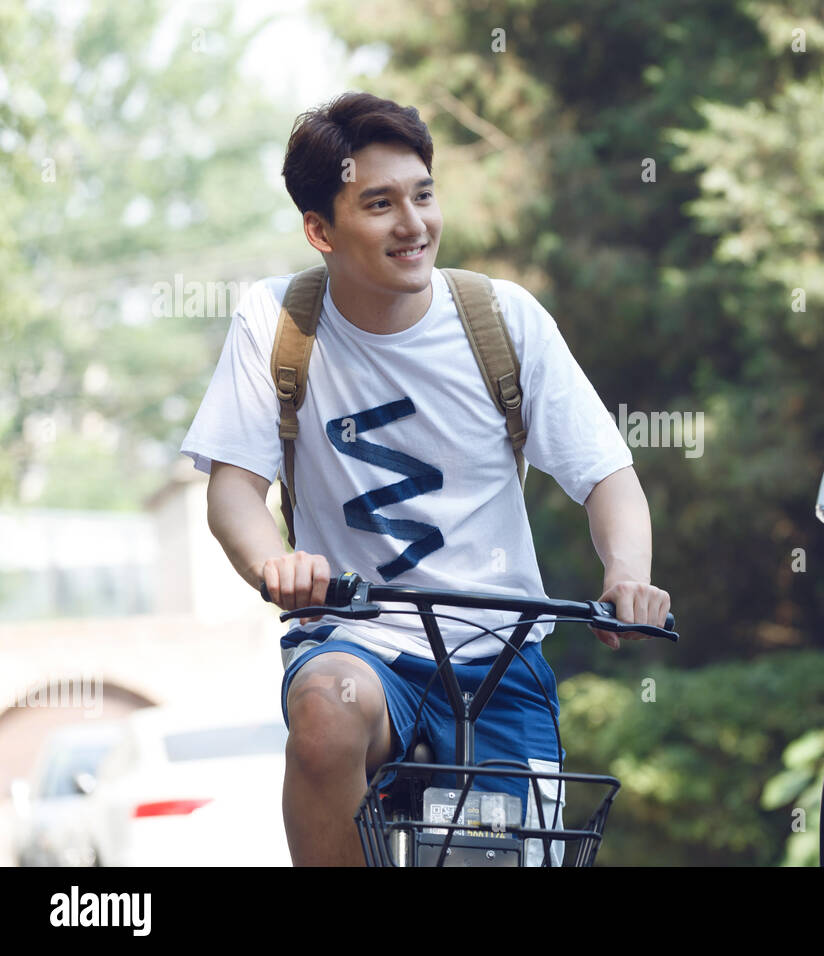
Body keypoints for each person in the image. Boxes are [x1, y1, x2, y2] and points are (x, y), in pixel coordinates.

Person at [180, 91, 670, 865]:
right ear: (320, 230)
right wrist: (275, 562)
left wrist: (628, 575)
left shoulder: (502, 319)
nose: (413, 225)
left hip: (501, 660)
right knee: (323, 712)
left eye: (424, 195)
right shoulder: (276, 324)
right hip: (356, 644)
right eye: (379, 204)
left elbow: (607, 474)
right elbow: (233, 489)